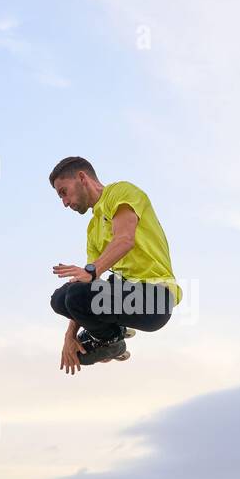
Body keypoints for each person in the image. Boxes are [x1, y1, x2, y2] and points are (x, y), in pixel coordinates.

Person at [48, 157, 181, 371]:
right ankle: (111, 339)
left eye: (64, 192)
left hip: (155, 299)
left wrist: (91, 271)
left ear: (82, 177)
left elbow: (124, 239)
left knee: (75, 295)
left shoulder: (120, 192)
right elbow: (85, 285)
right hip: (125, 295)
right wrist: (69, 336)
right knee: (60, 299)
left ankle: (111, 335)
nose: (64, 202)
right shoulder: (93, 230)